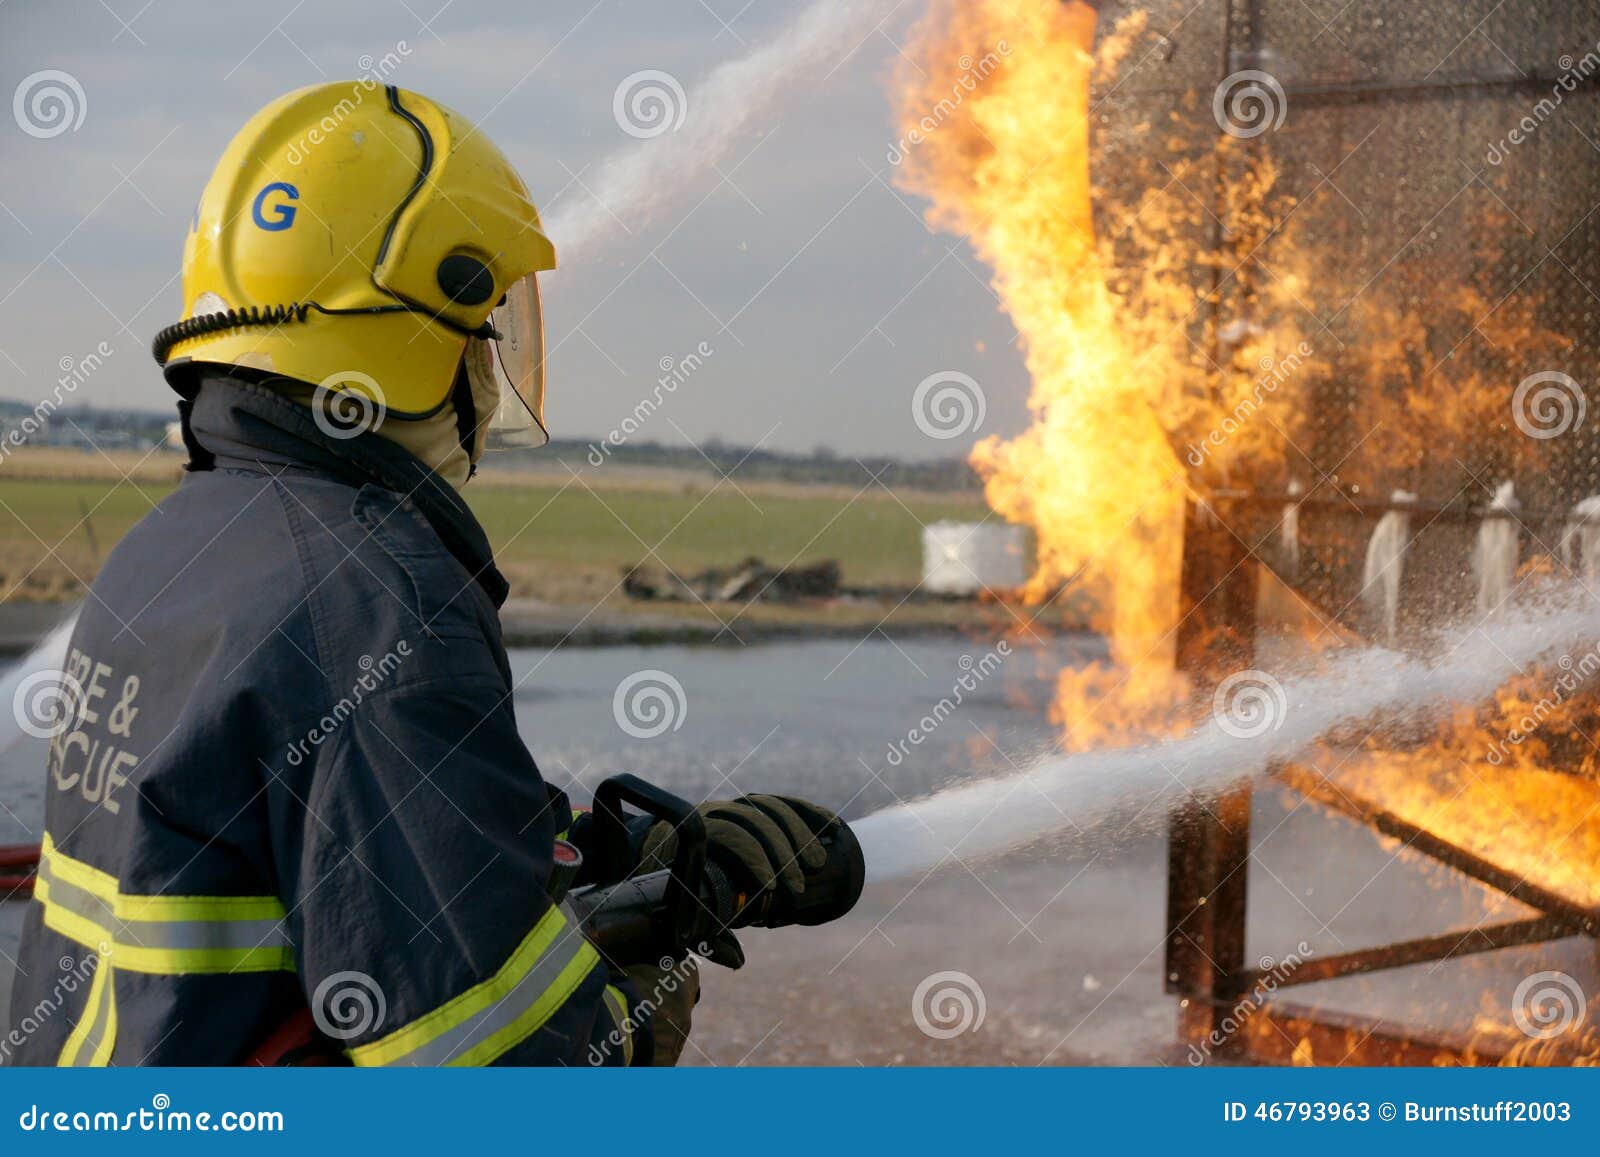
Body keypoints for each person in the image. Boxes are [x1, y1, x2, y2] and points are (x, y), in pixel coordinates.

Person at [5, 82, 838, 1067]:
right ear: (412, 333)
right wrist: (631, 1015)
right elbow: (500, 1073)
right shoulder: (377, 602)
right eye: (486, 330)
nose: (492, 370)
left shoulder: (174, 546)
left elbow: (335, 821)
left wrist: (602, 853)